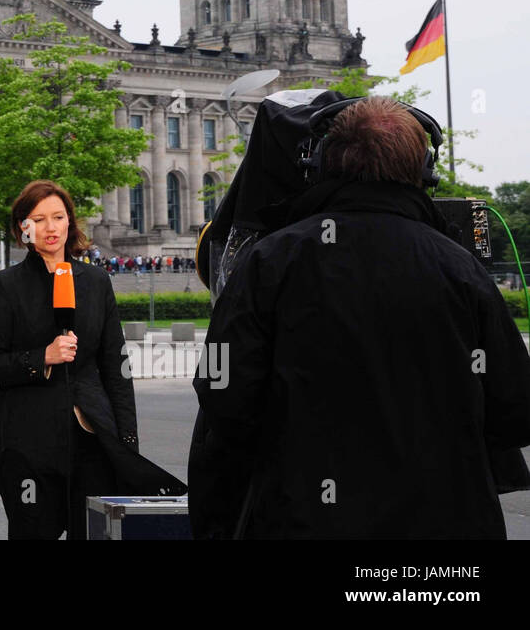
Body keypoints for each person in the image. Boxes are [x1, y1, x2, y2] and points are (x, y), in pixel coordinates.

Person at [190, 97, 530, 538]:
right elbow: (516, 410)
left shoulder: (270, 261)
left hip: (304, 516)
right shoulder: (461, 267)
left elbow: (221, 391)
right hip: (445, 521)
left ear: (319, 165)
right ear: (424, 171)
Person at [0, 179, 184, 540]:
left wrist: (127, 443)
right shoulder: (6, 285)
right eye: (38, 219)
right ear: (23, 228)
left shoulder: (96, 281)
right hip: (29, 445)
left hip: (92, 441)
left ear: (70, 222)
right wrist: (43, 357)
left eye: (58, 217)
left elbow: (116, 369)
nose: (50, 227)